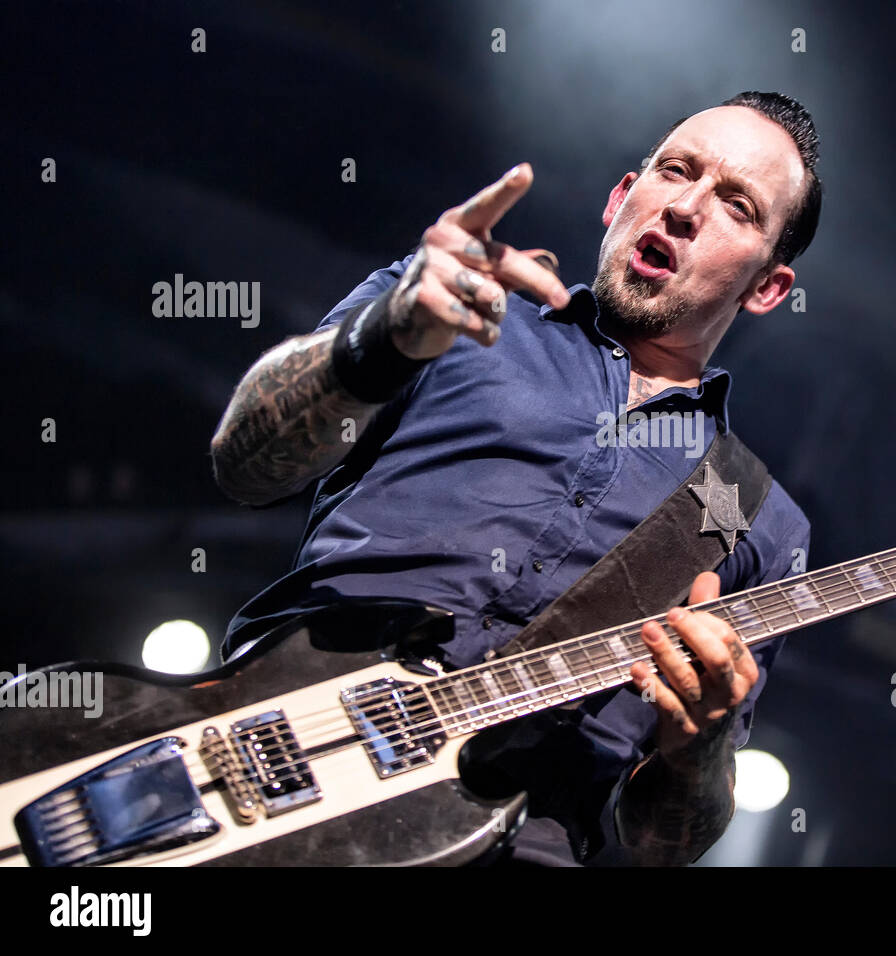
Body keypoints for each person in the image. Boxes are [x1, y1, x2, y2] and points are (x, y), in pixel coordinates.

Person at [210, 91, 821, 866]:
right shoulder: (446, 311)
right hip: (271, 762)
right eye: (675, 171)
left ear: (767, 286)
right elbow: (247, 463)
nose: (686, 207)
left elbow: (665, 847)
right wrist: (383, 340)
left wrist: (697, 749)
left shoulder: (761, 519)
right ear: (621, 199)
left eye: (737, 206)